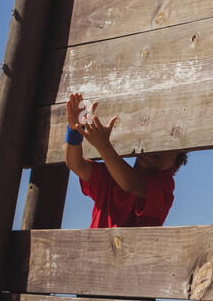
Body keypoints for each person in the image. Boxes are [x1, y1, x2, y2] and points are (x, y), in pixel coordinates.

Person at [63, 92, 186, 229]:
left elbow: (132, 185)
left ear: (176, 163)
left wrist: (103, 145)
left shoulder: (164, 186)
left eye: (167, 144)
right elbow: (77, 165)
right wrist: (74, 130)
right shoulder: (111, 176)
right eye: (152, 138)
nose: (157, 147)